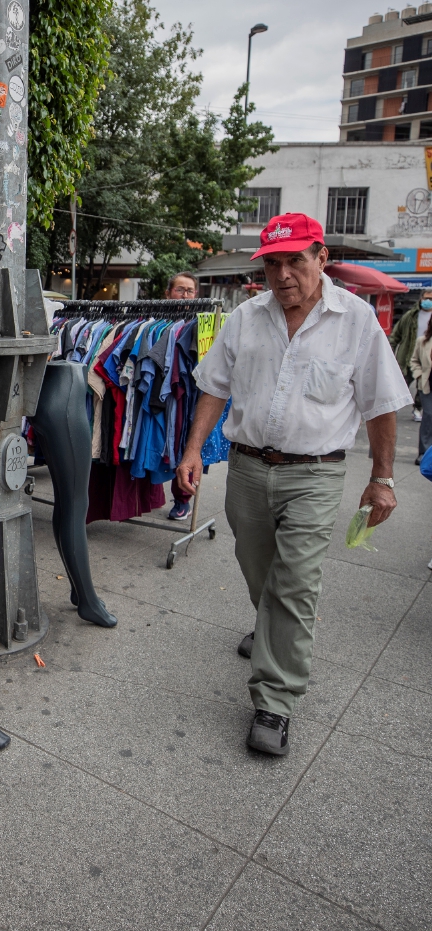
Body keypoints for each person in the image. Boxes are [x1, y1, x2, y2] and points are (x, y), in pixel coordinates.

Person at [176, 213, 410, 757]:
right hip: (249, 469)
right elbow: (213, 387)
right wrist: (192, 450)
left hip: (317, 473)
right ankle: (269, 630)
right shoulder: (244, 318)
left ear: (321, 257)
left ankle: (274, 701)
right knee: (260, 571)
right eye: (273, 263)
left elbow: (381, 406)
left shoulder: (355, 321)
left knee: (297, 583)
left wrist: (382, 478)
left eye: (295, 261)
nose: (283, 275)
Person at [163, 271, 200, 521]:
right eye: (180, 290)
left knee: (185, 443)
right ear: (168, 293)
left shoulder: (201, 324)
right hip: (164, 392)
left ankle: (182, 499)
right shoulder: (157, 322)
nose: (185, 295)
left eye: (189, 291)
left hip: (190, 394)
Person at [392, 288, 432, 425]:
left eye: (431, 299)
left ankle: (418, 408)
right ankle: (394, 406)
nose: (428, 302)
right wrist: (390, 353)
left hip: (426, 359)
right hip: (408, 356)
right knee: (401, 383)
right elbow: (395, 335)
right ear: (421, 299)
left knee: (423, 385)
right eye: (426, 298)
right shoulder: (410, 316)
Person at [410, 309, 432, 465]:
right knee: (428, 417)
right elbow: (414, 360)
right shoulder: (423, 341)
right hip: (427, 385)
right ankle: (423, 453)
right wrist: (418, 375)